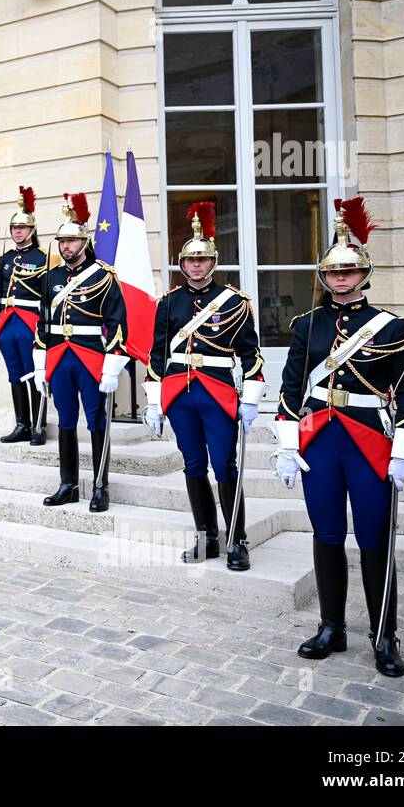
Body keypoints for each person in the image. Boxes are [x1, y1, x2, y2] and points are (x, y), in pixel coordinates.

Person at [276, 197, 404, 678]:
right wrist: (287, 443)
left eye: (349, 271)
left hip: (369, 441)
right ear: (323, 277)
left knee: (374, 538)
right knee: (326, 534)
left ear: (364, 273)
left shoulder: (394, 327)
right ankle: (332, 627)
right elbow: (291, 388)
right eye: (333, 272)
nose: (341, 278)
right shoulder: (308, 325)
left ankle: (385, 635)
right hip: (320, 440)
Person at [141, 202, 265, 570]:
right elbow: (157, 354)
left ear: (213, 262)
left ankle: (237, 540)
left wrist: (251, 398)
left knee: (224, 465)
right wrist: (153, 400)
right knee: (193, 464)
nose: (196, 265)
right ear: (182, 264)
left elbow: (250, 353)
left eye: (203, 259)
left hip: (218, 393)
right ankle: (206, 536)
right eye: (191, 260)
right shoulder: (169, 303)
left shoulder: (235, 302)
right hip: (179, 394)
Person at [31, 192, 129, 512]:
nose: (66, 247)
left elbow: (117, 323)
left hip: (90, 356)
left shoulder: (103, 275)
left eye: (72, 241)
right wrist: (39, 363)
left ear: (84, 242)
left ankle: (100, 485)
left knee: (96, 421)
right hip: (59, 357)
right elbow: (43, 322)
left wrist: (112, 366)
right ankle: (68, 484)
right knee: (65, 421)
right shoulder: (51, 278)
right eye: (62, 241)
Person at [0, 186, 48, 445]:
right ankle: (22, 424)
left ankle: (38, 425)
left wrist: (45, 330)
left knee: (34, 374)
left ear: (32, 230)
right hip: (7, 324)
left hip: (29, 322)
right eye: (14, 228)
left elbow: (46, 299)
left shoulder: (42, 258)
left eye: (22, 227)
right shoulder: (6, 259)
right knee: (15, 374)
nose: (18, 232)